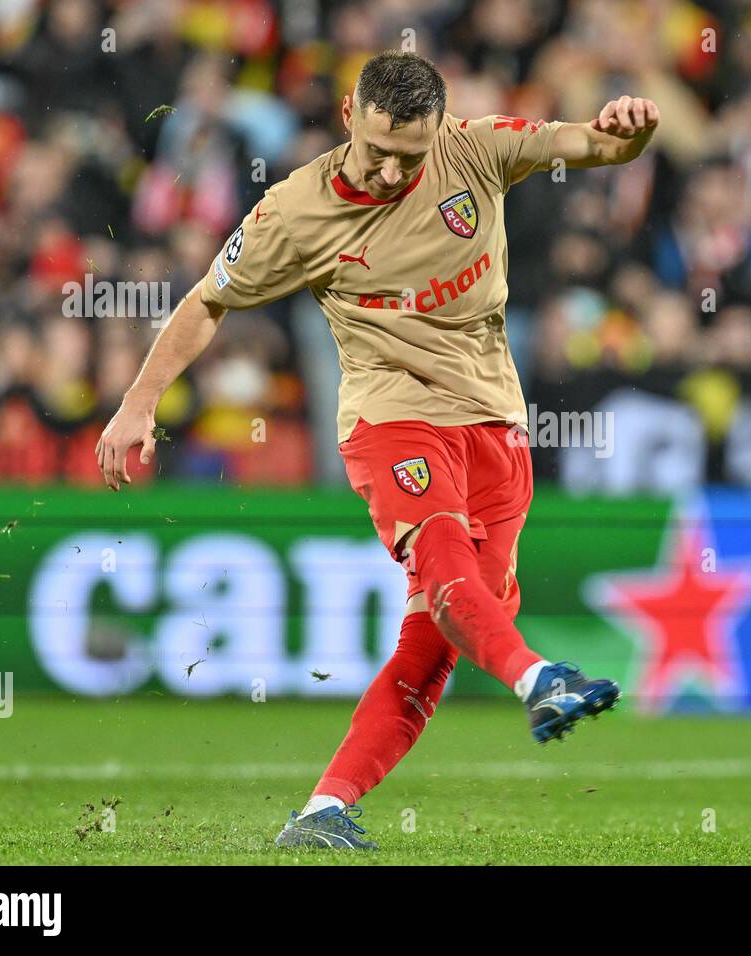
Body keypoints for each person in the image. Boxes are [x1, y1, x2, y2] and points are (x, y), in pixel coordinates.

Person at [96, 51, 659, 850]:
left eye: (412, 154)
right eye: (379, 149)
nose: (394, 169)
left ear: (442, 128)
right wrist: (138, 403)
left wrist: (629, 132)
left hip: (495, 423)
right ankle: (539, 677)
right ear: (349, 118)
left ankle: (324, 809)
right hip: (390, 418)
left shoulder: (479, 149)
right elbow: (207, 300)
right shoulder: (293, 212)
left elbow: (594, 148)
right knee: (440, 556)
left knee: (435, 641)